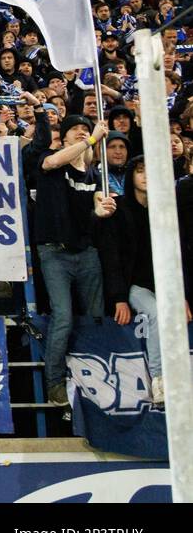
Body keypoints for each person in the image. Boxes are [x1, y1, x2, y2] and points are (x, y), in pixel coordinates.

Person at [30, 114, 116, 406]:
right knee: (63, 317)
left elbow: (94, 209)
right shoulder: (50, 161)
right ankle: (55, 383)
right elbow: (53, 162)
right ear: (64, 137)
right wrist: (91, 138)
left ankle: (98, 377)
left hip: (86, 252)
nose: (82, 132)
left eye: (85, 129)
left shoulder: (94, 176)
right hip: (54, 252)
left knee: (95, 316)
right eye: (75, 130)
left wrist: (101, 212)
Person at [102, 156, 193, 405]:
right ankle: (160, 380)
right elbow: (112, 258)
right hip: (134, 284)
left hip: (165, 284)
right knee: (156, 313)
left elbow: (178, 254)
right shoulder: (119, 208)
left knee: (173, 314)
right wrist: (119, 298)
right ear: (131, 176)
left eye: (150, 171)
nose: (145, 176)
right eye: (140, 171)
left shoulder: (165, 211)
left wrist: (182, 296)